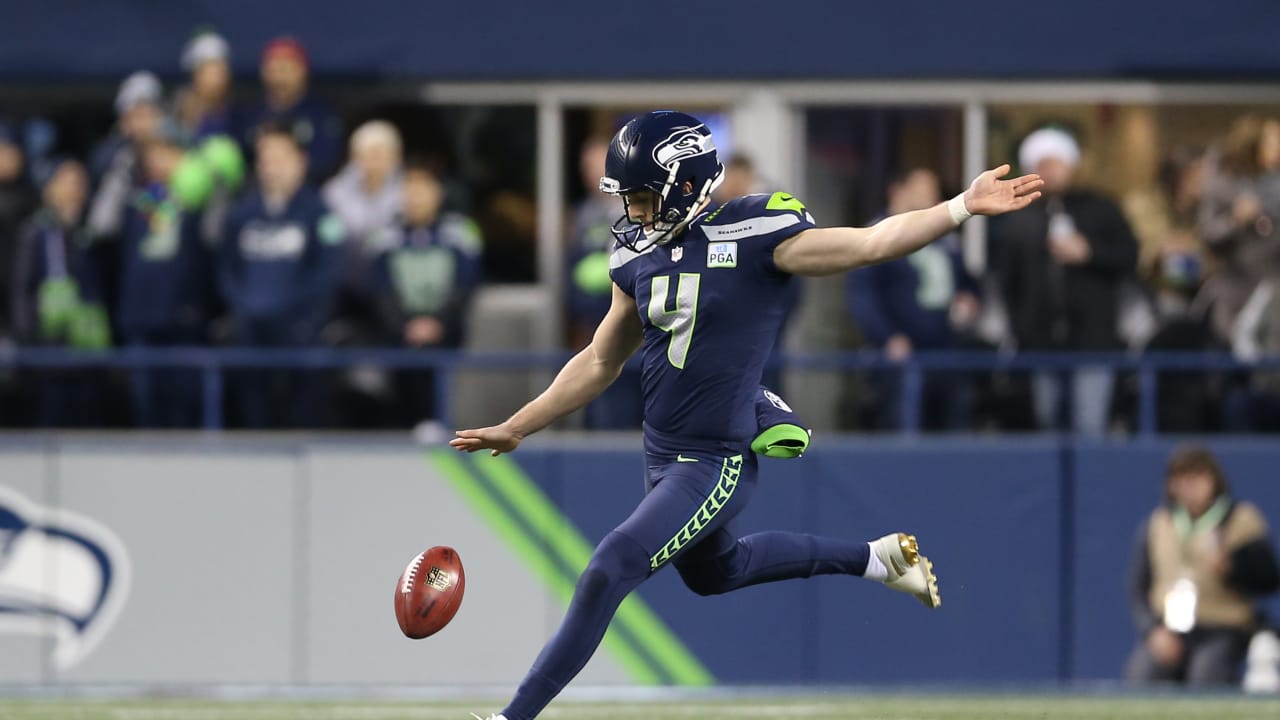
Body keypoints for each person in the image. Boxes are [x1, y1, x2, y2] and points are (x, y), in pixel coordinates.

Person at [453, 110, 1042, 720]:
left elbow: (870, 244)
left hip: (714, 458)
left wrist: (959, 208)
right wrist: (518, 424)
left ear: (685, 186)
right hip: (661, 450)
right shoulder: (634, 252)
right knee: (716, 572)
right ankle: (878, 558)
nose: (634, 212)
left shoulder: (758, 232)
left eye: (642, 197)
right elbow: (601, 358)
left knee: (610, 566)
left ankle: (511, 719)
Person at [994, 127, 1139, 435]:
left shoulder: (1101, 208)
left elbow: (1129, 256)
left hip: (1093, 341)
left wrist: (1089, 253)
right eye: (1042, 165)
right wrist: (1021, 328)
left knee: (1089, 425)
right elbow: (1010, 280)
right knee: (1046, 422)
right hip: (1040, 342)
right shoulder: (1021, 216)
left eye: (1055, 163)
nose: (1050, 172)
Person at [219, 123, 343, 428]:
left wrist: (303, 319)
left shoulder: (319, 212)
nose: (271, 168)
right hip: (251, 336)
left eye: (280, 158)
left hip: (300, 339)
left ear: (301, 161)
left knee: (302, 414)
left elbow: (327, 273)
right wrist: (243, 309)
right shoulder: (242, 213)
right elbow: (227, 269)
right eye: (265, 159)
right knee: (254, 414)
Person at [1126, 445, 1280, 686]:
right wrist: (1152, 630)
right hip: (1170, 629)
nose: (1190, 487)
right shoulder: (1158, 523)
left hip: (1222, 628)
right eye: (1182, 479)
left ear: (1214, 480)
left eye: (1197, 477)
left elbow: (1268, 578)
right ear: (1171, 485)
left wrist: (1231, 567)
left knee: (1207, 674)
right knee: (1142, 674)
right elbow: (1137, 587)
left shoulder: (1240, 519)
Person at [847, 168, 980, 430]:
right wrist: (887, 337)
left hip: (946, 350)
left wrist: (970, 299)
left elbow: (969, 281)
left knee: (954, 425)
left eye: (934, 190)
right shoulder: (875, 235)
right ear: (898, 191)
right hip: (901, 355)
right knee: (904, 425)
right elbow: (862, 295)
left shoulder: (946, 237)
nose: (931, 197)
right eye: (922, 190)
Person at [116, 131, 218, 428]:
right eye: (153, 154)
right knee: (146, 401)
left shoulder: (198, 201)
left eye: (169, 153)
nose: (159, 161)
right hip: (142, 316)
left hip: (184, 317)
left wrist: (215, 188)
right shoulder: (141, 199)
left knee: (185, 400)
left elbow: (213, 241)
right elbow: (103, 232)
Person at [374, 161, 482, 425]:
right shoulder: (384, 237)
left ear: (438, 193)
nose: (415, 199)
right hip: (399, 340)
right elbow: (380, 290)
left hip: (447, 338)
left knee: (441, 409)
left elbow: (466, 285)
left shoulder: (460, 234)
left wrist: (439, 323)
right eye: (409, 191)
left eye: (422, 190)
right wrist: (404, 325)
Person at [9, 159, 110, 427]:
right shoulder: (36, 232)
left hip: (88, 343)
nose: (73, 190)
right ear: (49, 188)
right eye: (66, 182)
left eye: (79, 183)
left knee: (86, 415)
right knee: (52, 413)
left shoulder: (90, 231)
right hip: (49, 343)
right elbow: (22, 286)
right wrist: (27, 336)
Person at [565, 136, 642, 429]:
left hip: (649, 338)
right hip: (601, 334)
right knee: (608, 421)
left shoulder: (647, 209)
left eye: (596, 164)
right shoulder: (584, 215)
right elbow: (572, 275)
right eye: (585, 165)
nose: (589, 172)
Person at [238, 37, 342, 184]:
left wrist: (287, 168)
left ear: (302, 71)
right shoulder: (250, 113)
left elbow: (326, 161)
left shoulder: (320, 114)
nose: (280, 78)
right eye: (273, 70)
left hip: (308, 190)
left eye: (286, 69)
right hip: (256, 192)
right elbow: (241, 159)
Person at [174, 30, 234, 143]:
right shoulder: (176, 115)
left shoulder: (235, 117)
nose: (219, 78)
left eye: (222, 70)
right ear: (196, 74)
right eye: (211, 70)